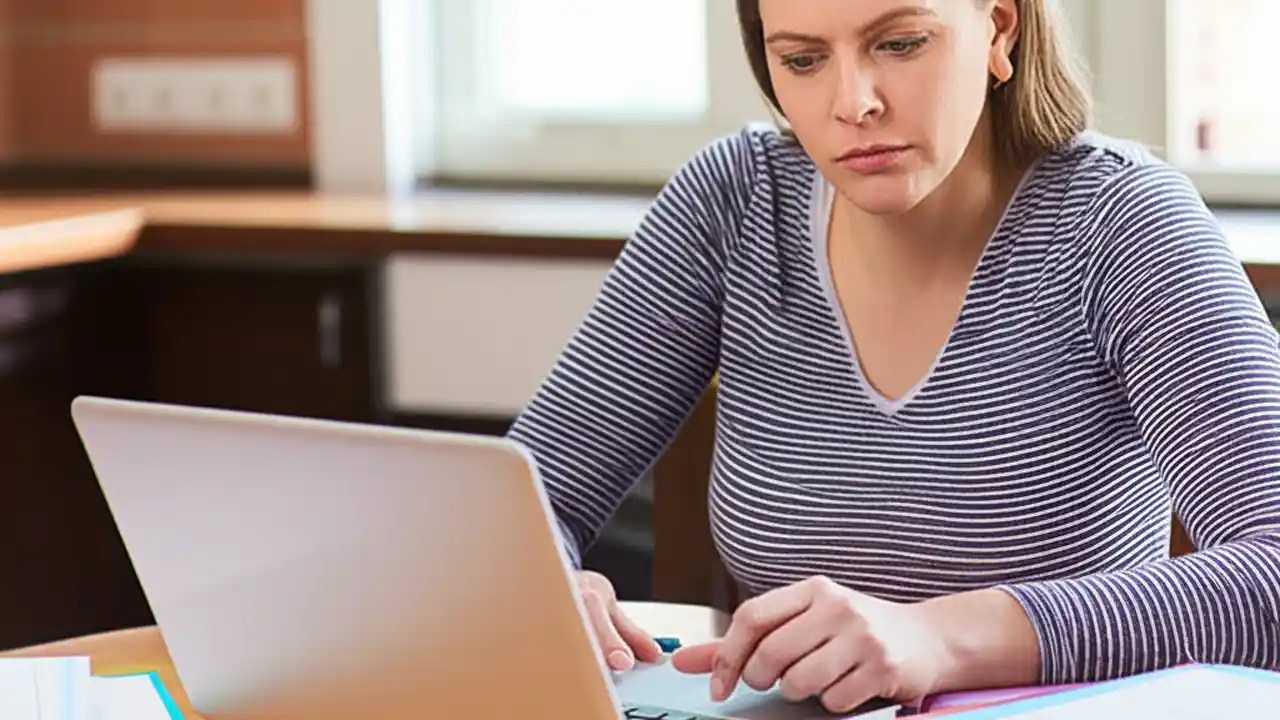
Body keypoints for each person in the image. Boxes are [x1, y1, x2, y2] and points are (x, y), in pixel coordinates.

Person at [506, 0, 1280, 713]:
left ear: (1000, 29)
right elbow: (519, 505)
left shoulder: (1122, 224)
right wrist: (535, 583)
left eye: (901, 43)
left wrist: (936, 639)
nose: (854, 103)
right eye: (803, 61)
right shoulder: (735, 201)